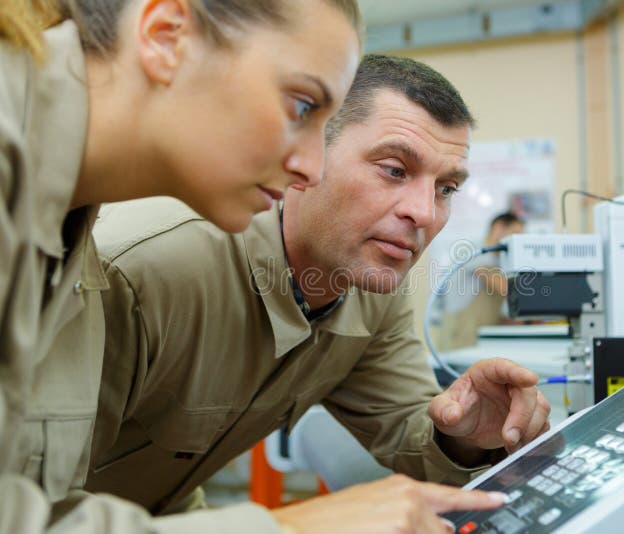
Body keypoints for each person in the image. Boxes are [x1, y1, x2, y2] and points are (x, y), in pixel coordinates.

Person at [87, 54, 552, 533]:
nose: (425, 213)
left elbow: (405, 429)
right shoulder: (139, 272)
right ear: (304, 159)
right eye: (394, 170)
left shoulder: (372, 289)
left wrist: (465, 435)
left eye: (446, 188)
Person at [0, 0, 361, 531]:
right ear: (167, 37)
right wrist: (291, 528)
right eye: (303, 106)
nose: (312, 168)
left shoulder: (66, 243)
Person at [440, 212, 526, 350]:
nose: (516, 242)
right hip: (461, 330)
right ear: (498, 228)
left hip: (481, 334)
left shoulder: (499, 261)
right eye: (515, 234)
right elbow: (505, 288)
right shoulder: (475, 251)